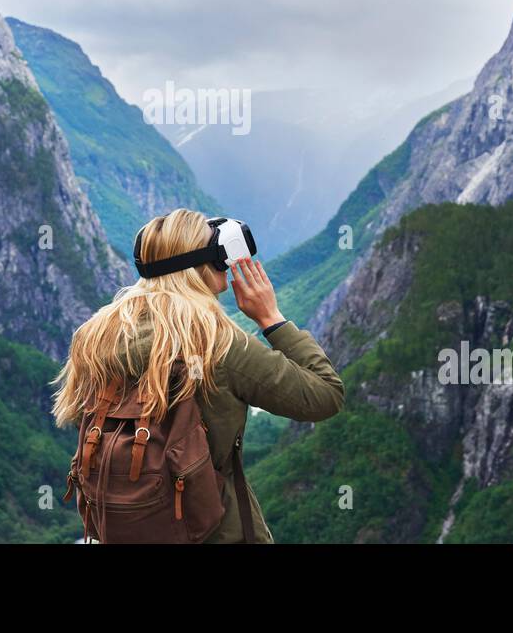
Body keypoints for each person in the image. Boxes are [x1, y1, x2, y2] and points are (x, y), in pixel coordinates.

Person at [51, 208, 345, 542]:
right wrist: (271, 319)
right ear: (200, 267)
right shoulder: (216, 344)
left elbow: (78, 416)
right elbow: (325, 395)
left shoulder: (94, 339)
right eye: (221, 255)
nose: (230, 263)